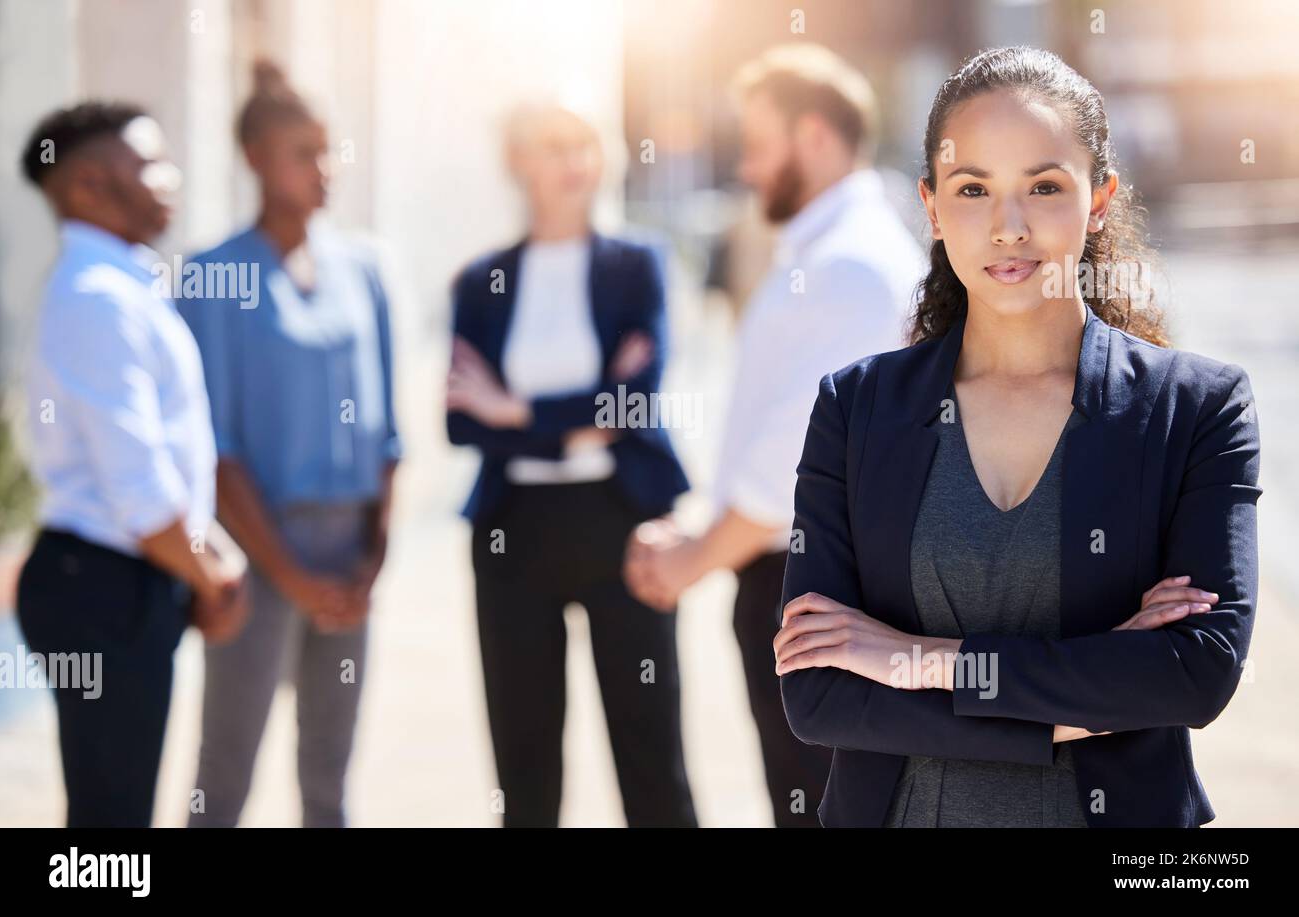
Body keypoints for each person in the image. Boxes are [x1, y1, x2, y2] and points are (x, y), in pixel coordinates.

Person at [773, 46, 1261, 827]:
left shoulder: (1197, 409)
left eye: (1043, 186)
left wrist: (911, 659)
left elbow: (1191, 674)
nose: (1009, 227)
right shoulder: (856, 407)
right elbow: (819, 692)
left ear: (1098, 199)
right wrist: (1092, 690)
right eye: (974, 189)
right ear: (932, 208)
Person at [623, 44, 924, 826]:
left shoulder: (850, 268)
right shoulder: (833, 255)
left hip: (817, 594)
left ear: (815, 137)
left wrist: (691, 556)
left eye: (758, 146)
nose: (748, 169)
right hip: (805, 586)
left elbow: (793, 462)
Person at [446, 102, 696, 828]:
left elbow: (633, 404)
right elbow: (462, 418)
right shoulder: (481, 280)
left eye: (588, 144)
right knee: (524, 769)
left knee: (651, 753)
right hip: (512, 531)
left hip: (624, 521)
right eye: (556, 146)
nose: (577, 160)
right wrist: (581, 420)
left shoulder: (635, 265)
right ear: (518, 161)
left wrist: (516, 411)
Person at [179, 61, 401, 828]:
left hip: (353, 554)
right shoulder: (212, 277)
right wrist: (292, 575)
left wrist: (374, 557)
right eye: (302, 152)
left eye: (328, 148)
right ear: (254, 159)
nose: (324, 169)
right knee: (225, 771)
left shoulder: (364, 270)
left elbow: (389, 433)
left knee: (330, 779)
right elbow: (216, 451)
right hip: (256, 553)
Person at [17, 102, 248, 828]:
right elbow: (141, 492)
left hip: (123, 575)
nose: (169, 177)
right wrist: (212, 575)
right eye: (148, 162)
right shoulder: (96, 298)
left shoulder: (124, 285)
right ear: (86, 184)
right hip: (104, 582)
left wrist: (207, 558)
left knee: (113, 812)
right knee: (110, 823)